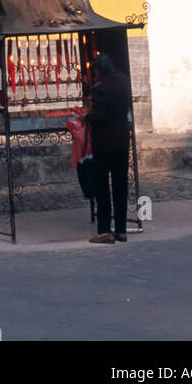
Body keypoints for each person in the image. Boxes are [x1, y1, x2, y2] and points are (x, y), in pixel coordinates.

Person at [84, 52, 132, 245]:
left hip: (104, 144)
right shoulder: (124, 82)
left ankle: (105, 231)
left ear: (99, 71)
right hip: (122, 139)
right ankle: (121, 229)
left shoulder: (101, 89)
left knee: (102, 187)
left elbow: (100, 117)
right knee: (120, 185)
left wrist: (86, 117)